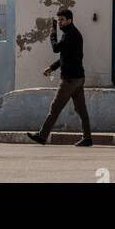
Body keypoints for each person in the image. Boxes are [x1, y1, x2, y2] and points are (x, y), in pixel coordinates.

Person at [27, 8, 92, 147]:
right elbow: (65, 56)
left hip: (69, 79)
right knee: (81, 109)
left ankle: (42, 136)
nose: (61, 22)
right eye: (59, 20)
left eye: (62, 20)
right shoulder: (72, 34)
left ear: (69, 20)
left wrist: (52, 34)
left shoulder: (70, 35)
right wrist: (52, 68)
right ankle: (87, 138)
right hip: (78, 78)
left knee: (55, 107)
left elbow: (56, 48)